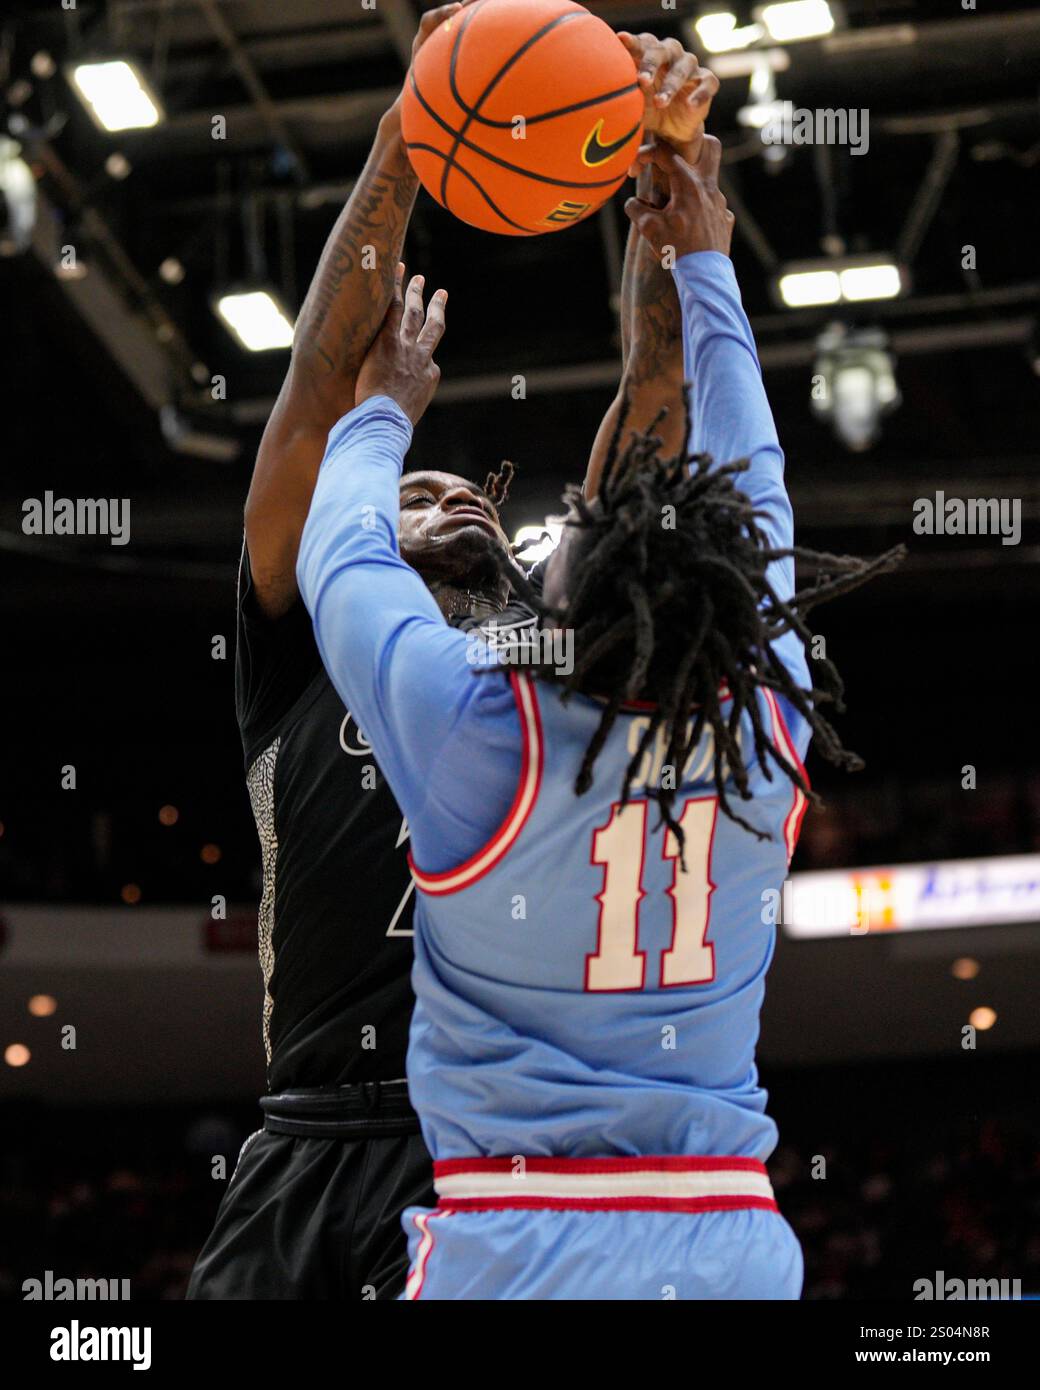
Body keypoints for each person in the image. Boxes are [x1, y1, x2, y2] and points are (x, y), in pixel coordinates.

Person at [295, 138, 903, 1300]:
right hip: (725, 1238)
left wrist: (379, 414)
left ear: (563, 607)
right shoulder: (767, 725)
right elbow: (756, 489)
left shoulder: (483, 727)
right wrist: (705, 267)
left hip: (516, 1238)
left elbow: (338, 556)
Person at [188, 5, 719, 1300]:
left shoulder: (553, 644)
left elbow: (653, 416)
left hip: (498, 1139)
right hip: (308, 1138)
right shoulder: (314, 643)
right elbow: (315, 395)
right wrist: (411, 132)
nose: (456, 497)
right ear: (359, 529)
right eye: (414, 487)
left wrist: (668, 204)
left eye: (475, 492)